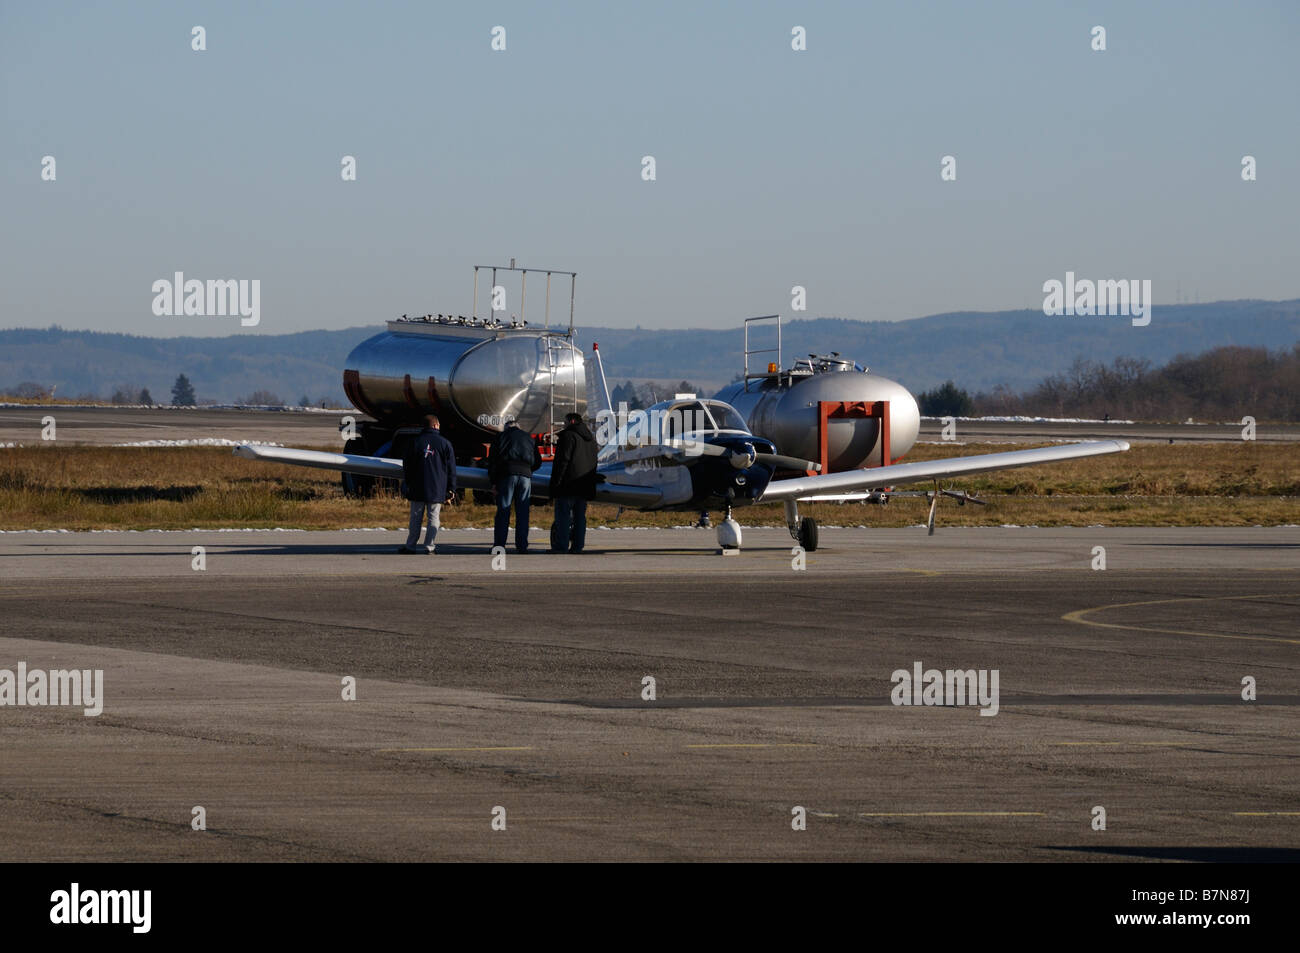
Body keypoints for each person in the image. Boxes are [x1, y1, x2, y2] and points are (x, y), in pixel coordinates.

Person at [399, 414, 456, 554]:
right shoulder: (445, 444)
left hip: (417, 487)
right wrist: (452, 488)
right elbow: (451, 469)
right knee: (433, 518)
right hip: (437, 488)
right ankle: (429, 546)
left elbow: (407, 466)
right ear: (436, 425)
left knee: (415, 518)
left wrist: (407, 483)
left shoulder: (414, 442)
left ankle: (411, 545)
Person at [488, 418, 542, 553]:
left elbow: (493, 461)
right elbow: (538, 461)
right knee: (523, 512)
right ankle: (522, 545)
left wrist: (493, 482)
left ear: (506, 428)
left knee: (503, 511)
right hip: (525, 476)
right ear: (518, 427)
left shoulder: (500, 437)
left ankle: (500, 545)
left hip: (507, 474)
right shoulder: (528, 437)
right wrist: (528, 470)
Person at [550, 412, 598, 553]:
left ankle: (561, 546)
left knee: (563, 517)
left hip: (568, 485)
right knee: (579, 518)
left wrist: (556, 484)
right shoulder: (591, 439)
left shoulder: (568, 436)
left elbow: (562, 461)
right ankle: (578, 546)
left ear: (571, 421)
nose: (563, 424)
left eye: (564, 422)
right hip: (584, 485)